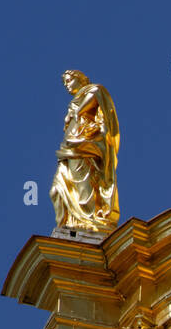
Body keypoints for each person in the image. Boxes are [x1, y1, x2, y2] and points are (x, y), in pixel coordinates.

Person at [50, 70, 120, 232]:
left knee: (83, 184)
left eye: (69, 80)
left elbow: (94, 102)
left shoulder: (94, 90)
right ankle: (71, 222)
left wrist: (78, 111)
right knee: (56, 191)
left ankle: (88, 220)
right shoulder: (76, 102)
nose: (67, 85)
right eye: (65, 82)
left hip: (82, 147)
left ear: (79, 79)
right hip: (69, 148)